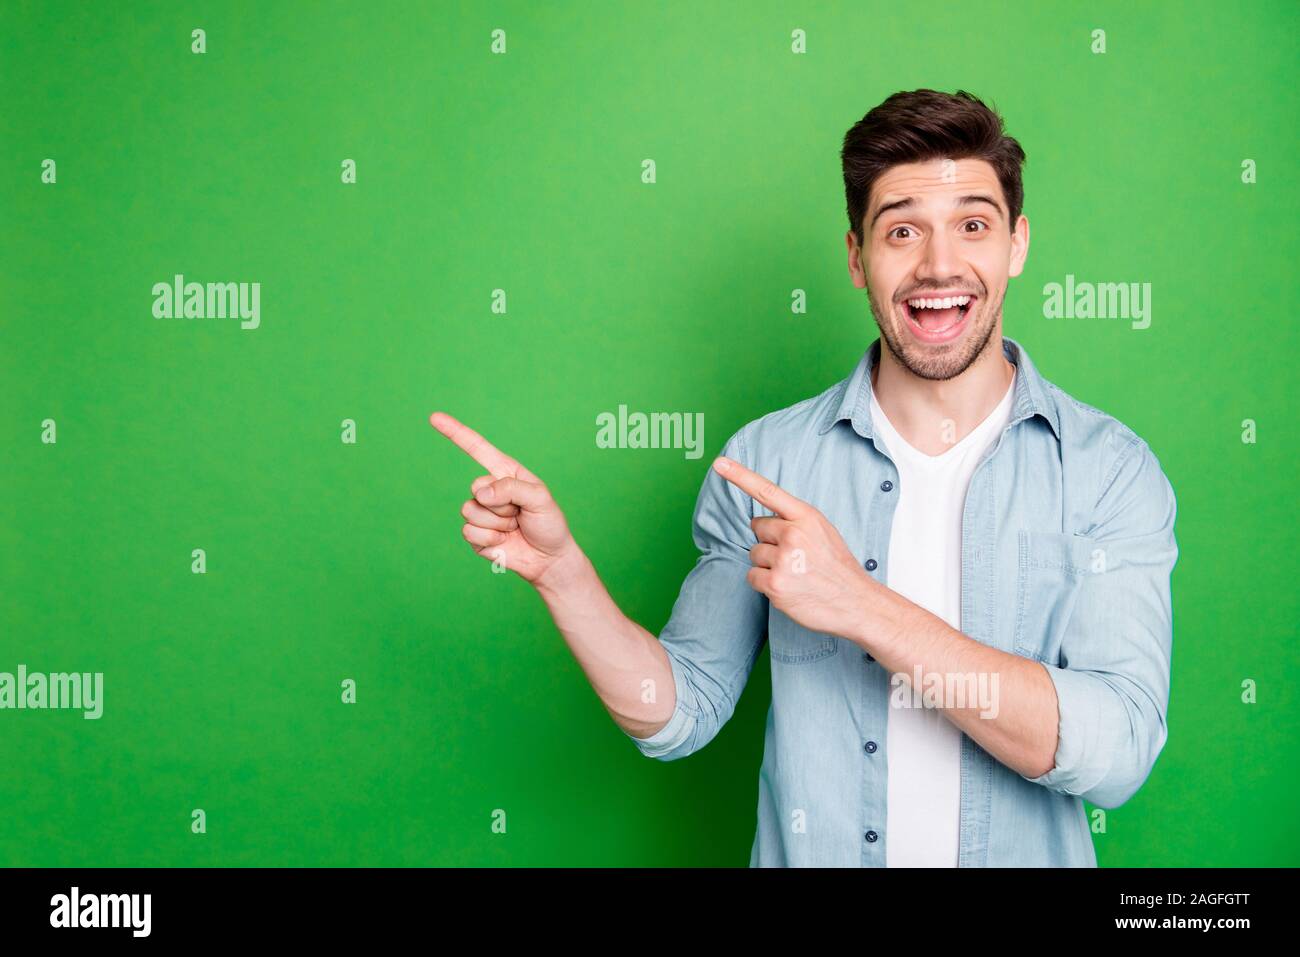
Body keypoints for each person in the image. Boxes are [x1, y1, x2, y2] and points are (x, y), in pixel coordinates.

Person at [430, 89, 1178, 867]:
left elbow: (1119, 750)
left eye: (973, 225)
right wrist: (562, 574)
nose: (940, 265)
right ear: (857, 257)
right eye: (901, 230)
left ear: (1017, 244)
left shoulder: (1107, 471)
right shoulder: (767, 463)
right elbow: (677, 711)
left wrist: (860, 604)